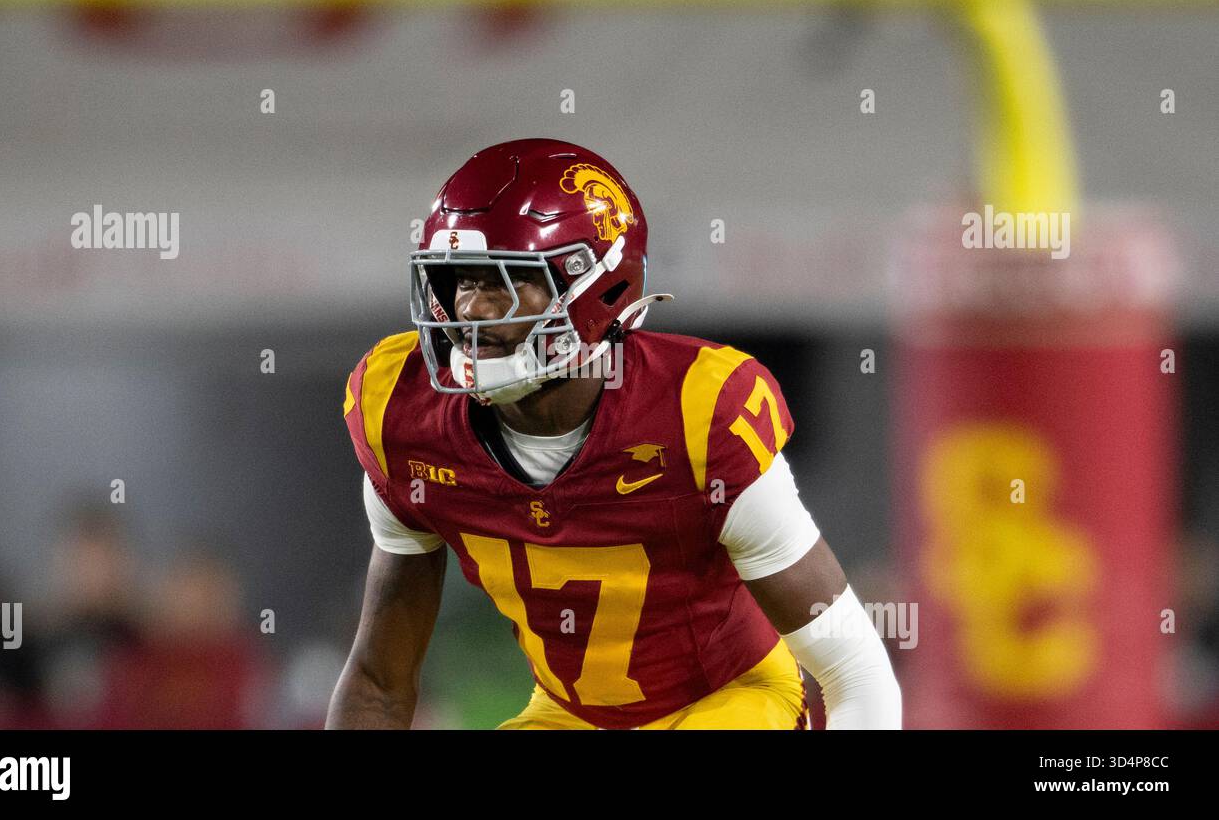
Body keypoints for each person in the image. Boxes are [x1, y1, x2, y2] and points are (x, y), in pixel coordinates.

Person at [327, 138, 900, 729]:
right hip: (570, 715)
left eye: (502, 281)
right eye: (460, 283)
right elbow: (379, 680)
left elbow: (854, 672)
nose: (471, 310)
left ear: (600, 289)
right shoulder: (402, 414)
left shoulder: (698, 411)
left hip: (731, 701)